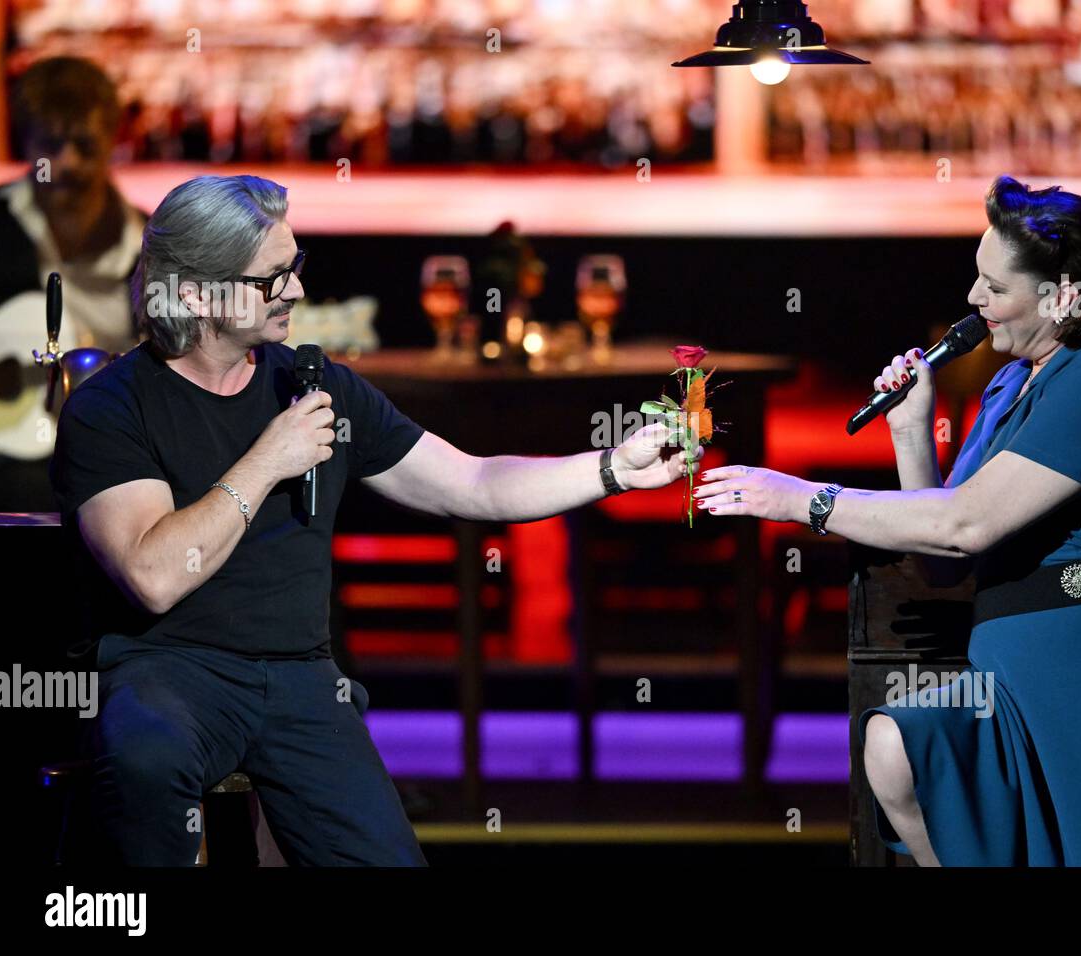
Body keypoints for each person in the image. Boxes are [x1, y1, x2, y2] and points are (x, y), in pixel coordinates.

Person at [49, 174, 700, 865]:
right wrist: (268, 459)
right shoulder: (113, 408)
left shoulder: (316, 385)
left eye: (294, 268)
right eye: (271, 279)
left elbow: (472, 482)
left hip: (300, 677)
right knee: (143, 760)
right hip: (170, 673)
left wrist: (608, 470)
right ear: (195, 293)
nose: (295, 291)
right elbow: (152, 575)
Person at [696, 175, 1081, 866]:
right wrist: (911, 432)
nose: (975, 301)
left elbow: (964, 525)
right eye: (976, 280)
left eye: (996, 287)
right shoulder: (1012, 384)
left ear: (1065, 296)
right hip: (1015, 674)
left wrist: (803, 500)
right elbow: (947, 554)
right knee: (895, 748)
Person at [0, 56, 146, 511]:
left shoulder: (153, 246)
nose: (67, 163)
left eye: (85, 146)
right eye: (50, 144)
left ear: (114, 140)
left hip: (113, 463)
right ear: (27, 143)